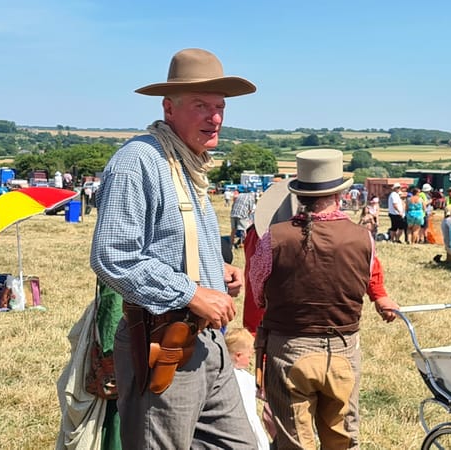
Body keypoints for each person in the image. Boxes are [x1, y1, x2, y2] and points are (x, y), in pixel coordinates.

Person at [90, 48, 257, 448]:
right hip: (164, 344)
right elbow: (113, 256)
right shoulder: (138, 160)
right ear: (169, 107)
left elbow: (170, 243)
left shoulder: (186, 163)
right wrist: (193, 293)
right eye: (201, 105)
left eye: (219, 107)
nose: (215, 118)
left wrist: (216, 271)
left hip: (207, 344)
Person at [249, 149, 399, 449]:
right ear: (340, 195)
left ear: (298, 194)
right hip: (343, 348)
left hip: (289, 349)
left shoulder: (274, 237)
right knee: (341, 440)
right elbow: (370, 274)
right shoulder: (363, 237)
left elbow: (258, 293)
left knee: (294, 442)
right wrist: (380, 297)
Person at [224, 328, 272, 450]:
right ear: (238, 356)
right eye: (249, 356)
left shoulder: (222, 376)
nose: (250, 360)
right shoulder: (242, 377)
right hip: (246, 424)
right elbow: (262, 392)